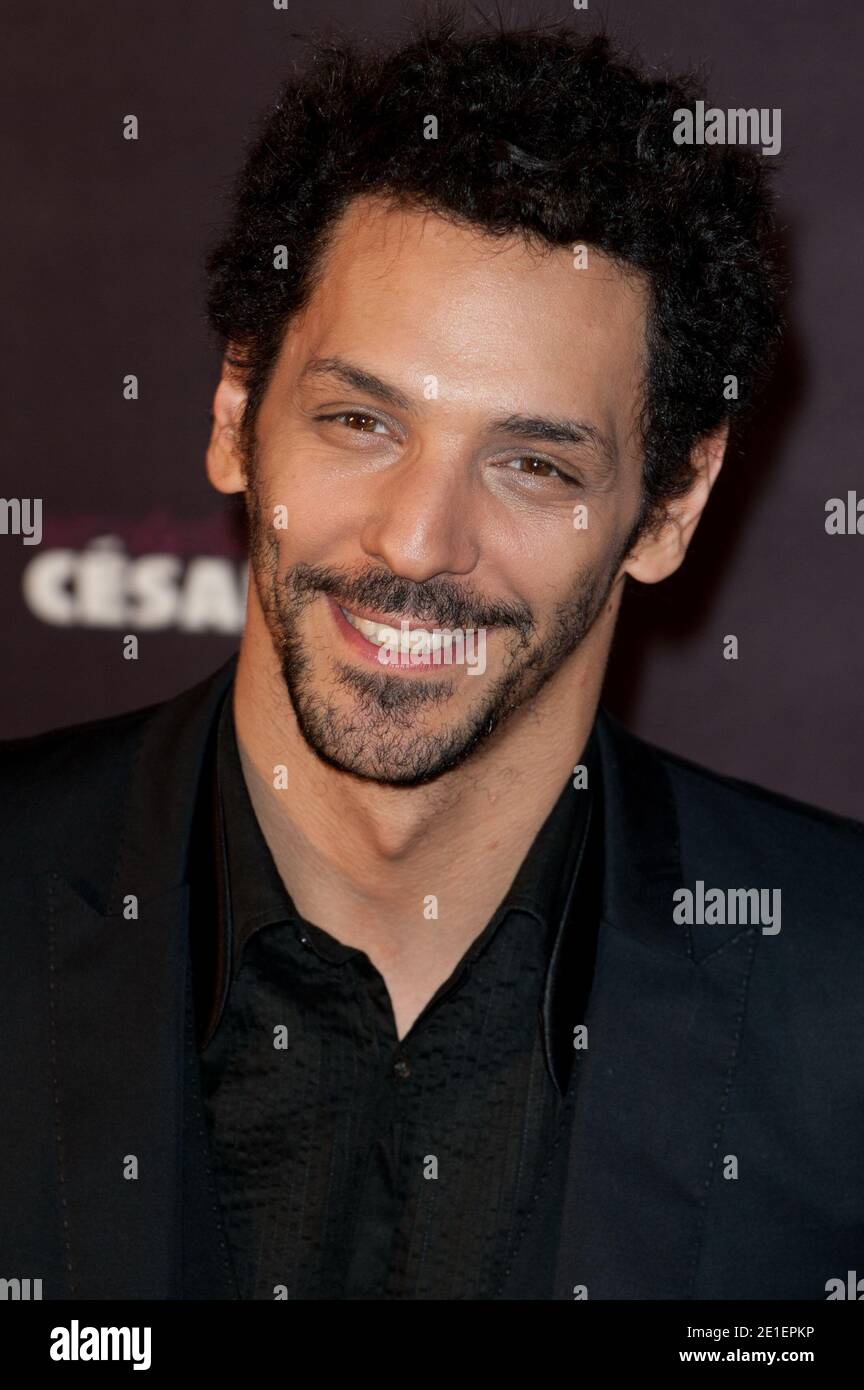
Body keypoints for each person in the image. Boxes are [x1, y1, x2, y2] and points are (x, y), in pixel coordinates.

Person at [2, 13, 862, 1302]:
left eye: (532, 465)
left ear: (671, 508)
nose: (417, 539)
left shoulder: (838, 997)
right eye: (359, 420)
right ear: (237, 412)